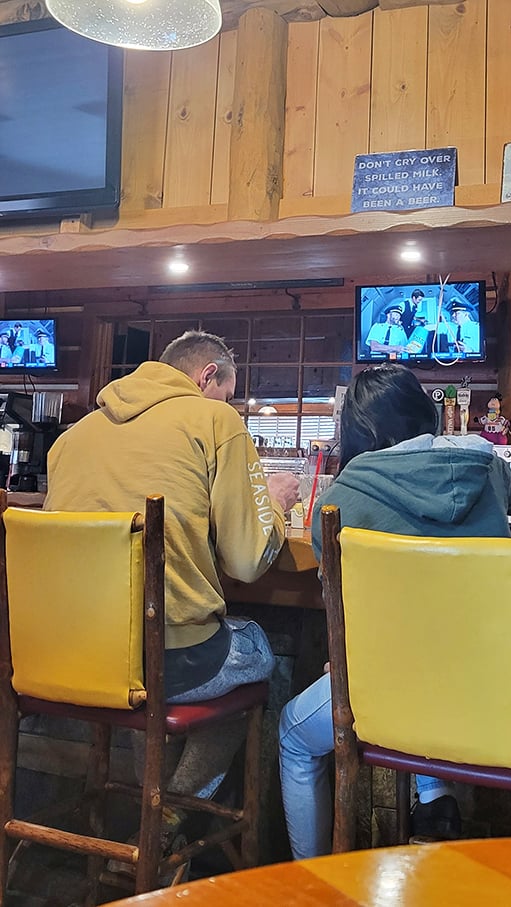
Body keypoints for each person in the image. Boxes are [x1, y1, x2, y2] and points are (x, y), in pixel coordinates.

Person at [44, 330, 299, 873]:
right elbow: (249, 562)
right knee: (253, 656)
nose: (227, 406)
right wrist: (272, 505)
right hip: (169, 660)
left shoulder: (71, 437)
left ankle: (148, 814)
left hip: (75, 656)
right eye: (227, 393)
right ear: (208, 378)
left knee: (153, 666)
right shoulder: (215, 422)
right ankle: (168, 817)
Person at [279, 363, 511, 860]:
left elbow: (345, 607)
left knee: (295, 733)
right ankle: (435, 801)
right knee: (431, 659)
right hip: (494, 692)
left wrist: (346, 652)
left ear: (358, 431)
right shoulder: (484, 466)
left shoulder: (338, 502)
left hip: (391, 692)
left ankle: (308, 884)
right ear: (425, 413)